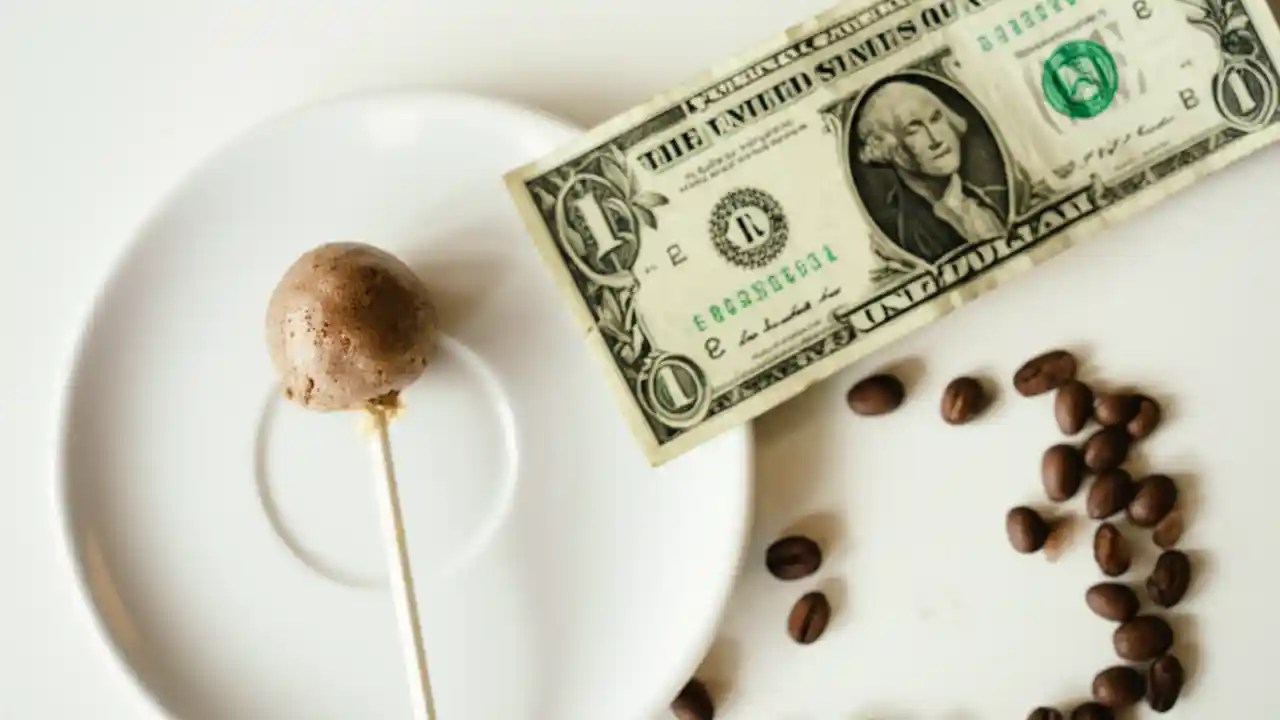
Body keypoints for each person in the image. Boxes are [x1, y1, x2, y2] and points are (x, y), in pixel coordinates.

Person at [856, 81, 1008, 264]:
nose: (936, 139)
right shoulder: (903, 233)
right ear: (890, 149)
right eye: (913, 130)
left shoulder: (995, 196)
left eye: (936, 119)